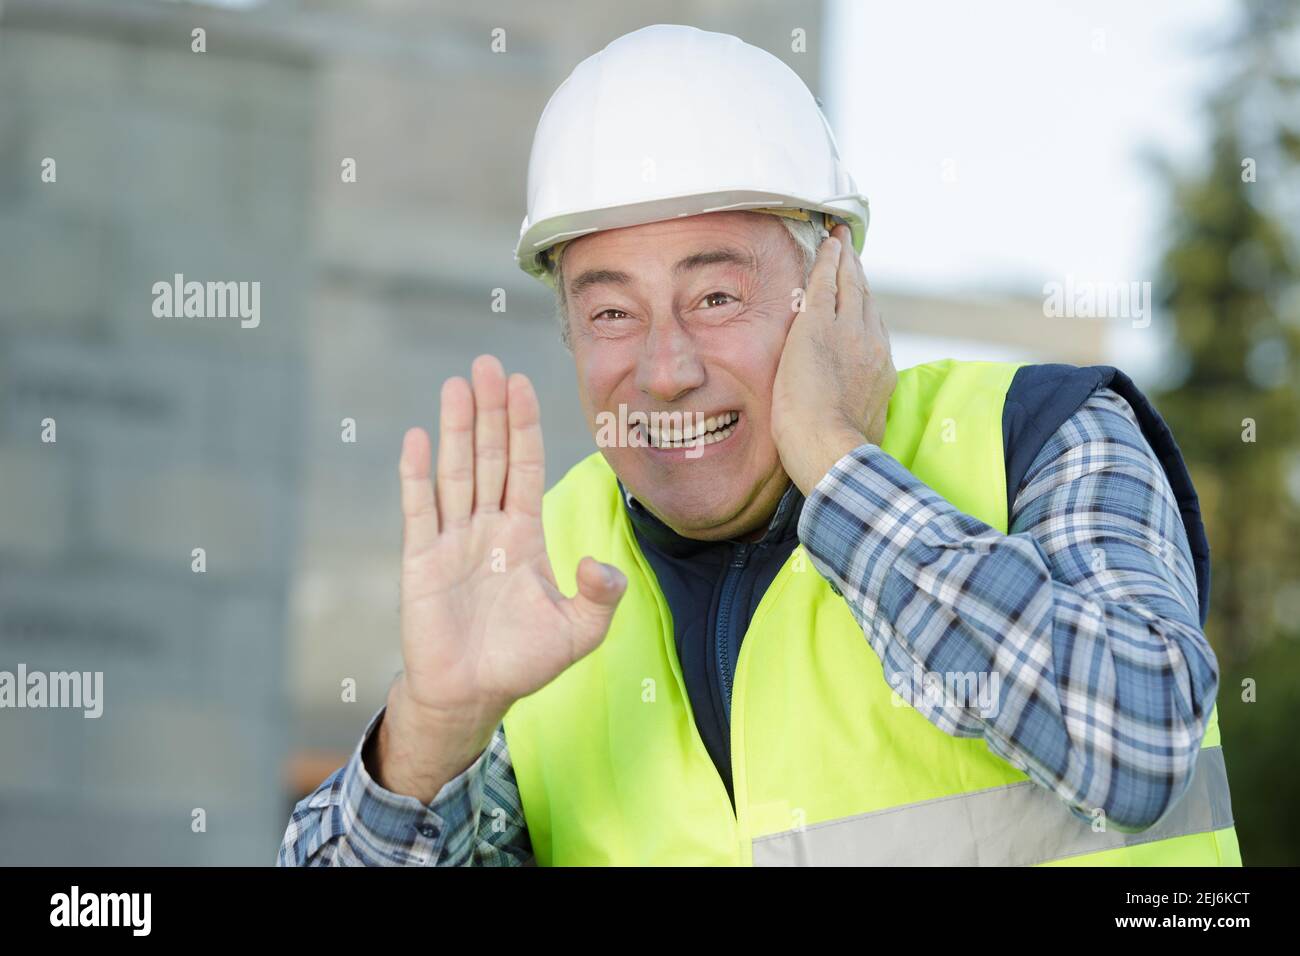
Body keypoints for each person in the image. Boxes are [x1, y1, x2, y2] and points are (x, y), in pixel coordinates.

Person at [278, 24, 1240, 866]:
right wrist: (431, 735)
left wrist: (835, 466)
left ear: (834, 281)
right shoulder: (544, 569)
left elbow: (1141, 736)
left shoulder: (1038, 437)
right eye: (611, 310)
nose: (664, 369)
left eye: (715, 297)